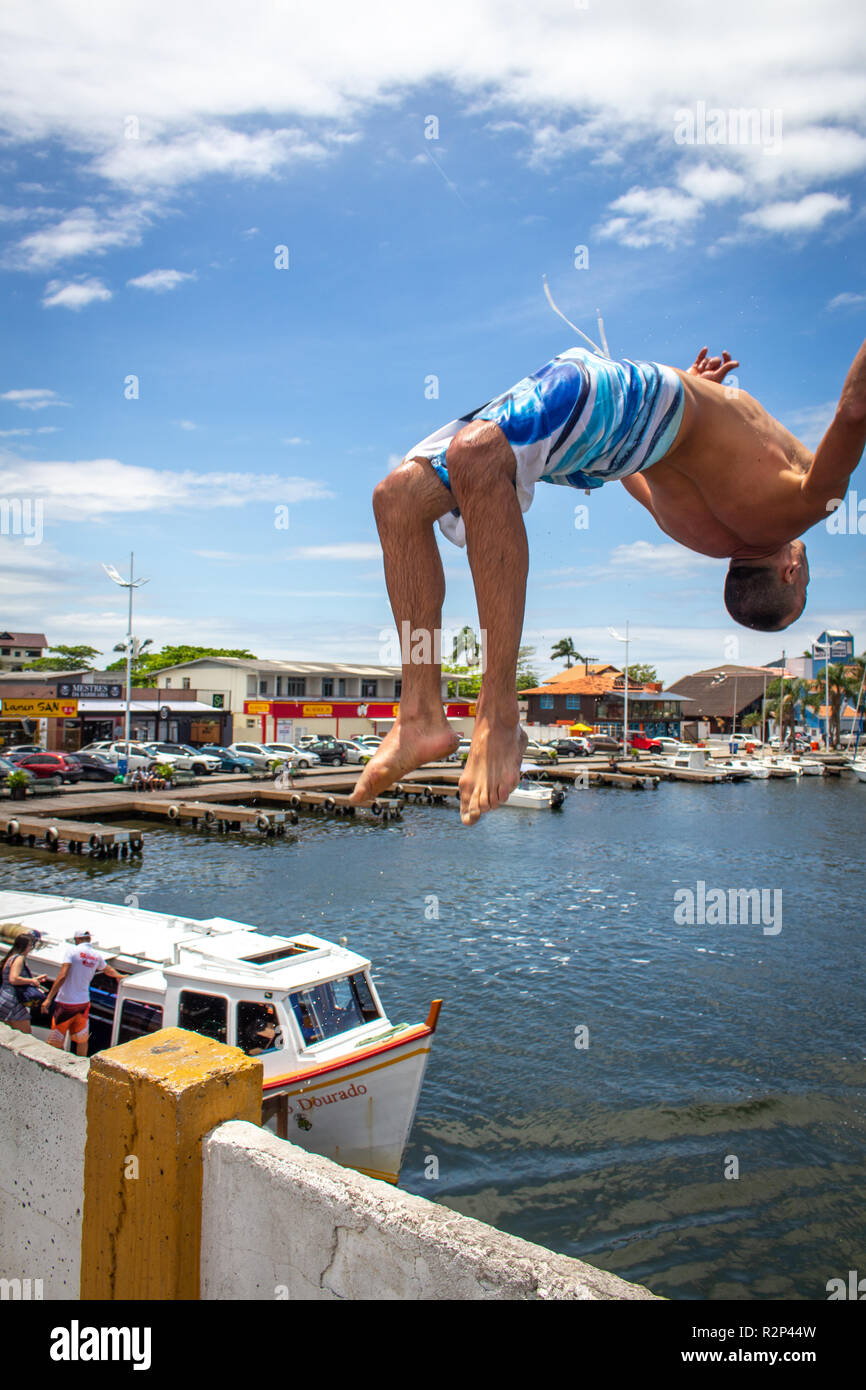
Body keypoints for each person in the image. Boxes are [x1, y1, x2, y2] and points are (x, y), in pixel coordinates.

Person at [352, 338, 866, 824]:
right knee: (397, 499)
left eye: (805, 587)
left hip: (631, 413)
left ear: (791, 570)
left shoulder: (801, 506)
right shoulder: (690, 531)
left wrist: (689, 391)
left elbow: (851, 411)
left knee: (475, 452)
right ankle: (419, 712)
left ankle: (497, 714)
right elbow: (631, 463)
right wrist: (696, 394)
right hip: (616, 445)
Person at [42, 929, 124, 1056]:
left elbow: (63, 975)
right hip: (83, 1003)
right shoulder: (96, 956)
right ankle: (81, 1064)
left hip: (66, 1002)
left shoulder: (72, 951)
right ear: (89, 939)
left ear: (77, 939)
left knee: (56, 1039)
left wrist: (48, 998)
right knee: (81, 1039)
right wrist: (121, 977)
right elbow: (108, 970)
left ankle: (56, 1063)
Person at [0, 932, 48, 1035]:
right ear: (24, 946)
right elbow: (13, 979)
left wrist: (34, 979)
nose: (31, 948)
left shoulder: (11, 957)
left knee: (8, 1035)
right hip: (13, 1001)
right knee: (26, 1035)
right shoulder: (19, 958)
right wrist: (32, 981)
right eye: (30, 945)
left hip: (4, 998)